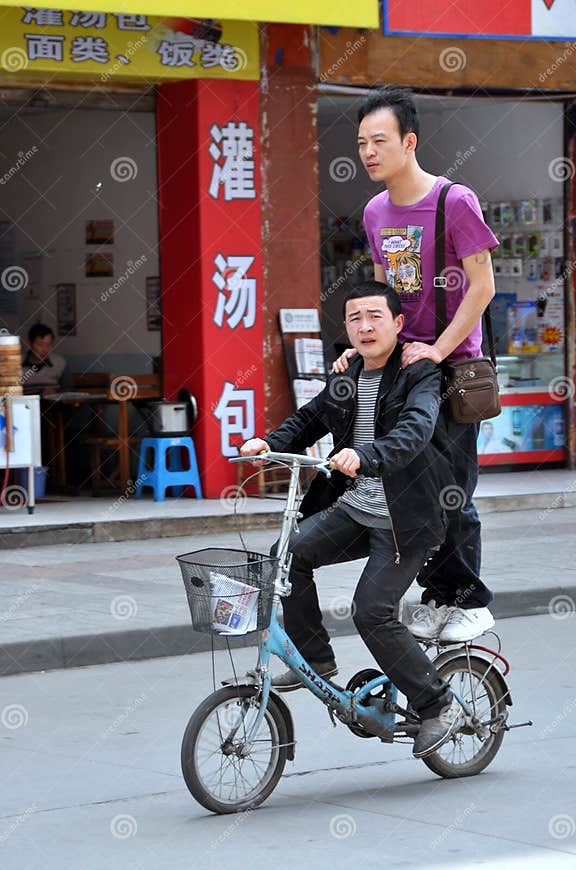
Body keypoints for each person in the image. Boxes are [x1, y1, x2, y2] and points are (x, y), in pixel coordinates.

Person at [240, 282, 463, 760]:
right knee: (289, 555)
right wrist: (268, 441)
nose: (365, 326)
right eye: (355, 318)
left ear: (398, 324)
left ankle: (437, 703)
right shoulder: (348, 372)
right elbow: (309, 418)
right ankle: (315, 657)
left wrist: (366, 455)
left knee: (372, 612)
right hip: (358, 508)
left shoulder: (418, 372)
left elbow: (416, 430)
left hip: (408, 520)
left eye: (375, 316)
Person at [333, 85, 498, 644]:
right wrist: (366, 341)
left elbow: (482, 286)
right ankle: (436, 592)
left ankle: (467, 598)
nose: (369, 152)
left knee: (452, 484)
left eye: (380, 141)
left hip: (451, 368)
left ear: (409, 141)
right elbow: (384, 290)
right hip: (404, 364)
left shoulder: (455, 201)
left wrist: (439, 349)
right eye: (361, 143)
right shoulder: (376, 210)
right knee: (410, 484)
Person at [22, 323, 73, 396]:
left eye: (49, 345)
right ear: (30, 344)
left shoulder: (60, 363)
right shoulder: (16, 364)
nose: (45, 349)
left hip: (55, 405)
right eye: (40, 344)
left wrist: (56, 393)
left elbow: (70, 390)